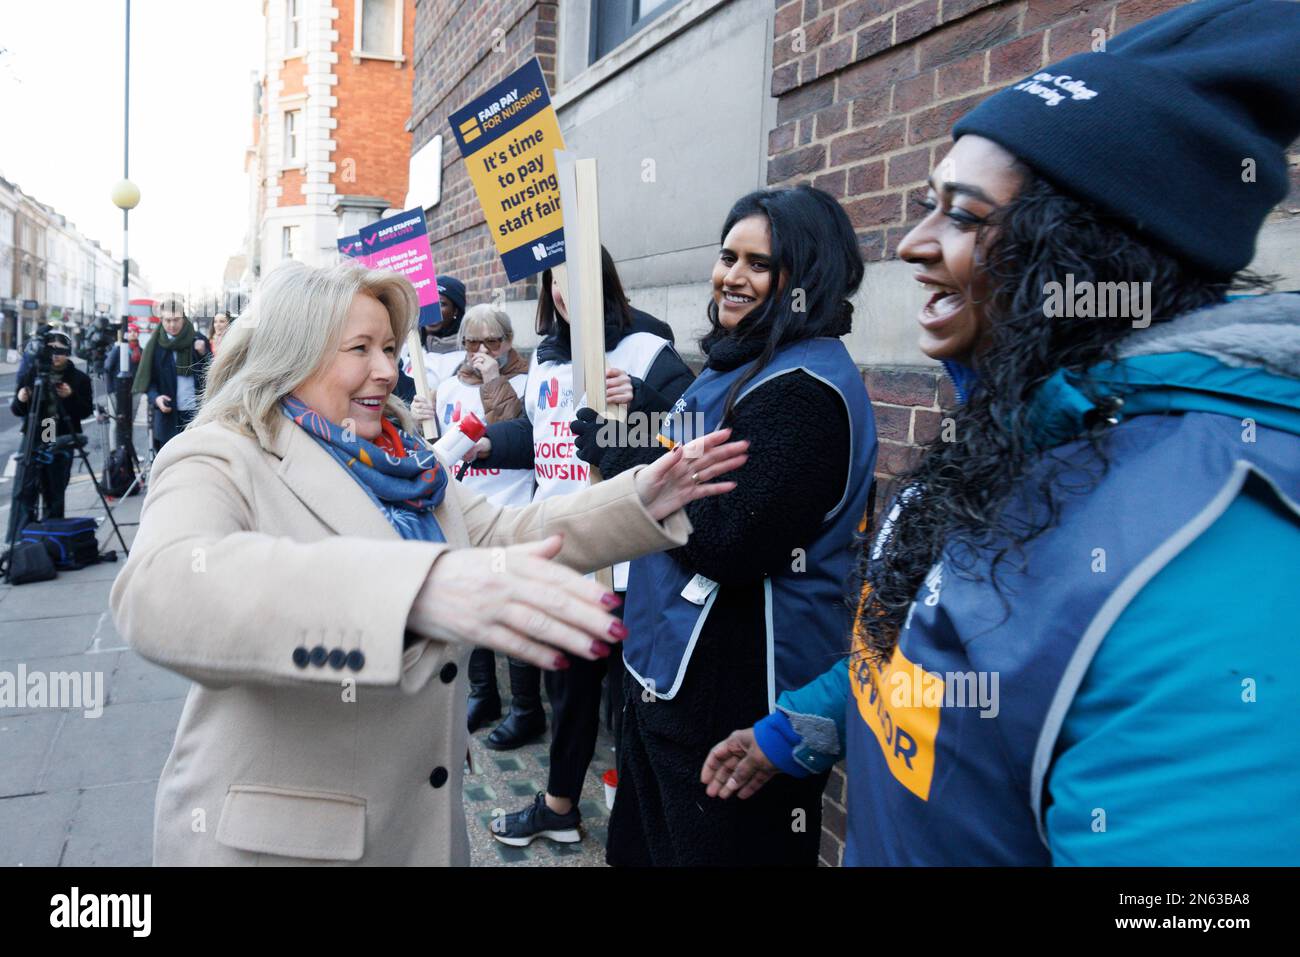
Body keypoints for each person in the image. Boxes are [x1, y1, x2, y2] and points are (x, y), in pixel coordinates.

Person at [702, 0, 1300, 866]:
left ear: (1085, 252)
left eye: (964, 216)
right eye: (925, 205)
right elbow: (949, 652)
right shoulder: (1019, 426)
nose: (911, 243)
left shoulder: (1224, 553)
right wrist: (806, 725)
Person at [109, 259, 748, 866]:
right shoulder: (221, 454)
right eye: (359, 349)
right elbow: (162, 589)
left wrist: (639, 497)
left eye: (389, 349)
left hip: (414, 828)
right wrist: (412, 591)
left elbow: (508, 531)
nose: (385, 370)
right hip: (280, 844)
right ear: (292, 352)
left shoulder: (402, 460)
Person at [591, 185, 875, 867]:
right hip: (669, 680)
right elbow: (683, 460)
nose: (731, 277)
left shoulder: (803, 393)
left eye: (758, 264)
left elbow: (727, 539)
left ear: (805, 277)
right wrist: (631, 441)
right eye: (727, 256)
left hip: (731, 707)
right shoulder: (739, 364)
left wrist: (631, 456)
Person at [481, 246, 695, 844]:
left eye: (578, 280)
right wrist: (481, 446)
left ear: (605, 282)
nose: (566, 294)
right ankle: (559, 806)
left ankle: (639, 828)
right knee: (567, 694)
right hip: (568, 558)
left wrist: (640, 412)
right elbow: (536, 437)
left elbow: (690, 436)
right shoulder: (550, 362)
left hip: (633, 568)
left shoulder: (648, 353)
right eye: (555, 283)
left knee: (632, 706)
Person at [410, 303, 533, 732]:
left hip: (511, 505)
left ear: (508, 343)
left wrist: (495, 381)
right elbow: (440, 449)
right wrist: (420, 418)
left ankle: (526, 708)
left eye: (491, 342)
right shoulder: (446, 386)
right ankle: (483, 695)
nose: (480, 351)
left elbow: (517, 433)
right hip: (466, 506)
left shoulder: (525, 379)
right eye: (471, 342)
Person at [10, 331, 94, 522]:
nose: (56, 355)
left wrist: (70, 396)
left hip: (61, 433)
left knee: (55, 490)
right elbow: (18, 410)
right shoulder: (33, 373)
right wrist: (21, 399)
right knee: (25, 489)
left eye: (61, 351)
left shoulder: (79, 378)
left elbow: (85, 411)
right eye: (51, 350)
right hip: (36, 432)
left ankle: (51, 535)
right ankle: (24, 537)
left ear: (68, 352)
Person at [132, 299, 211, 451]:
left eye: (176, 320)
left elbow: (214, 372)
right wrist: (156, 398)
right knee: (167, 465)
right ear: (161, 320)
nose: (172, 325)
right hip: (167, 414)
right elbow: (150, 381)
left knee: (195, 462)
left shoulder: (199, 340)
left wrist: (204, 353)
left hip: (196, 415)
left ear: (184, 318)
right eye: (168, 320)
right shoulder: (155, 346)